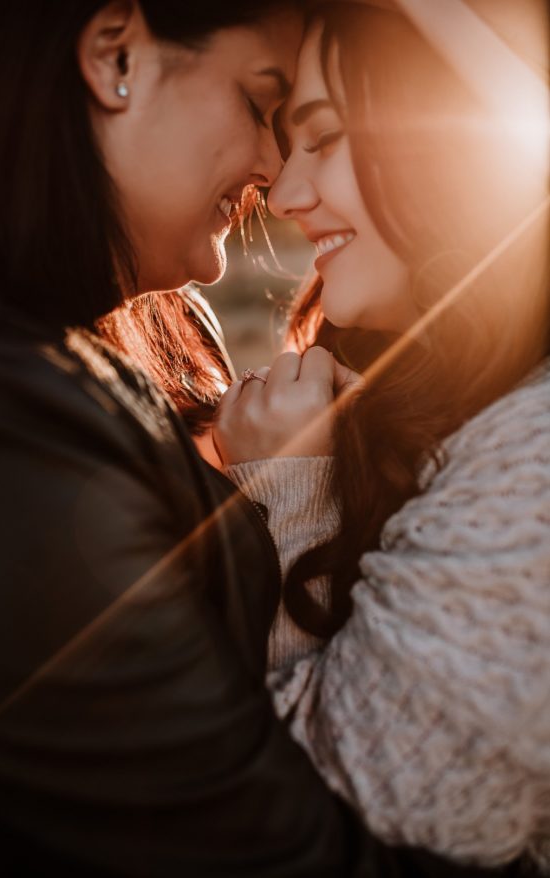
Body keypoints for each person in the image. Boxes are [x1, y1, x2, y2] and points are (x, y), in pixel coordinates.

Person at [0, 2, 357, 875]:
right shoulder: (7, 430)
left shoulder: (52, 368)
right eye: (261, 104)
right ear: (115, 58)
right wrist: (288, 498)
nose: (272, 166)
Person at [215, 0, 550, 870]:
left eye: (322, 137)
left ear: (464, 150)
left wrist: (286, 497)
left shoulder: (536, 460)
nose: (283, 194)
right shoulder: (452, 399)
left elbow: (313, 825)